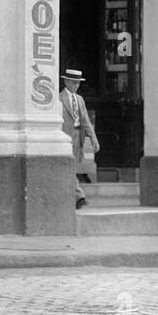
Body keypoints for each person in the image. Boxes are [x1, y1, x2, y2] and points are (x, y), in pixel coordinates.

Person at [61, 68, 99, 209]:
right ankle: (79, 196)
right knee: (69, 166)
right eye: (73, 82)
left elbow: (86, 121)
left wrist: (93, 138)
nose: (76, 86)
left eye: (78, 83)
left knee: (72, 167)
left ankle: (72, 198)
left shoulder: (80, 100)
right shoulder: (59, 98)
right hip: (65, 136)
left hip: (78, 136)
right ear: (66, 81)